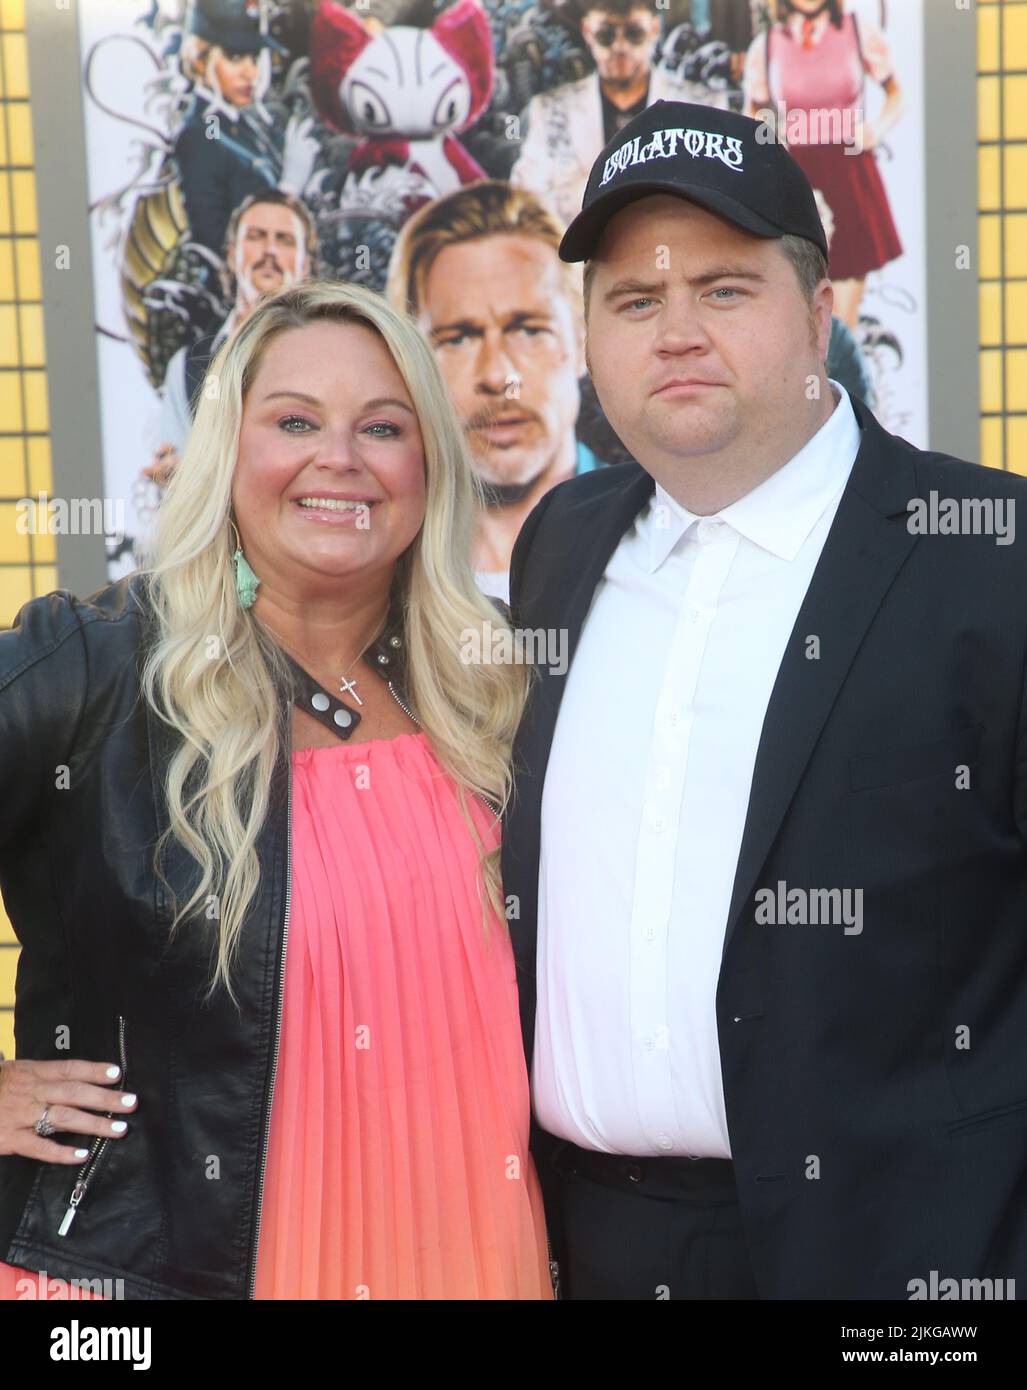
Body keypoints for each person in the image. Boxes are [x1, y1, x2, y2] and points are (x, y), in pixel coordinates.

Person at [502, 99, 1027, 1299]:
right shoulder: (562, 545)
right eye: (635, 300)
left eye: (724, 290)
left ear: (819, 314)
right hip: (587, 1247)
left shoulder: (990, 555)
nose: (675, 332)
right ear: (590, 337)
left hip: (911, 1261)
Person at [0, 280, 554, 1301]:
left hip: (470, 1252)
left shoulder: (497, 683)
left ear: (426, 463)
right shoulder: (97, 666)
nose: (337, 457)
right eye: (294, 420)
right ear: (228, 451)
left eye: (381, 427)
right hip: (169, 1275)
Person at [387, 180, 606, 602]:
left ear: (582, 339)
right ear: (411, 360)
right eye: (457, 339)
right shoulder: (377, 567)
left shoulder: (654, 536)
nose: (497, 374)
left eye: (527, 330)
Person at [743, 0, 904, 329]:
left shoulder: (858, 30)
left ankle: (840, 379)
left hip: (849, 173)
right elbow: (754, 112)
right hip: (796, 176)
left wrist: (876, 129)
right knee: (795, 303)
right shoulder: (767, 45)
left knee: (841, 322)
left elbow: (896, 93)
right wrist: (770, 142)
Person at [147, 190, 318, 485]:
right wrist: (177, 475)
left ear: (305, 264)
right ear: (231, 254)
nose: (270, 251)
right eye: (256, 236)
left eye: (285, 240)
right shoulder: (190, 364)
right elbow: (176, 467)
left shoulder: (332, 356)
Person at [510, 0, 724, 228]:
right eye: (606, 35)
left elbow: (720, 195)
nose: (620, 47)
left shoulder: (703, 107)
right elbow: (525, 199)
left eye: (633, 34)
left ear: (654, 29)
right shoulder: (550, 110)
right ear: (587, 31)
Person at [173, 0, 318, 261]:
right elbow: (213, 244)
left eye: (254, 58)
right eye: (235, 57)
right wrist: (289, 191)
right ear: (199, 59)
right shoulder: (198, 136)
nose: (250, 73)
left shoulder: (245, 125)